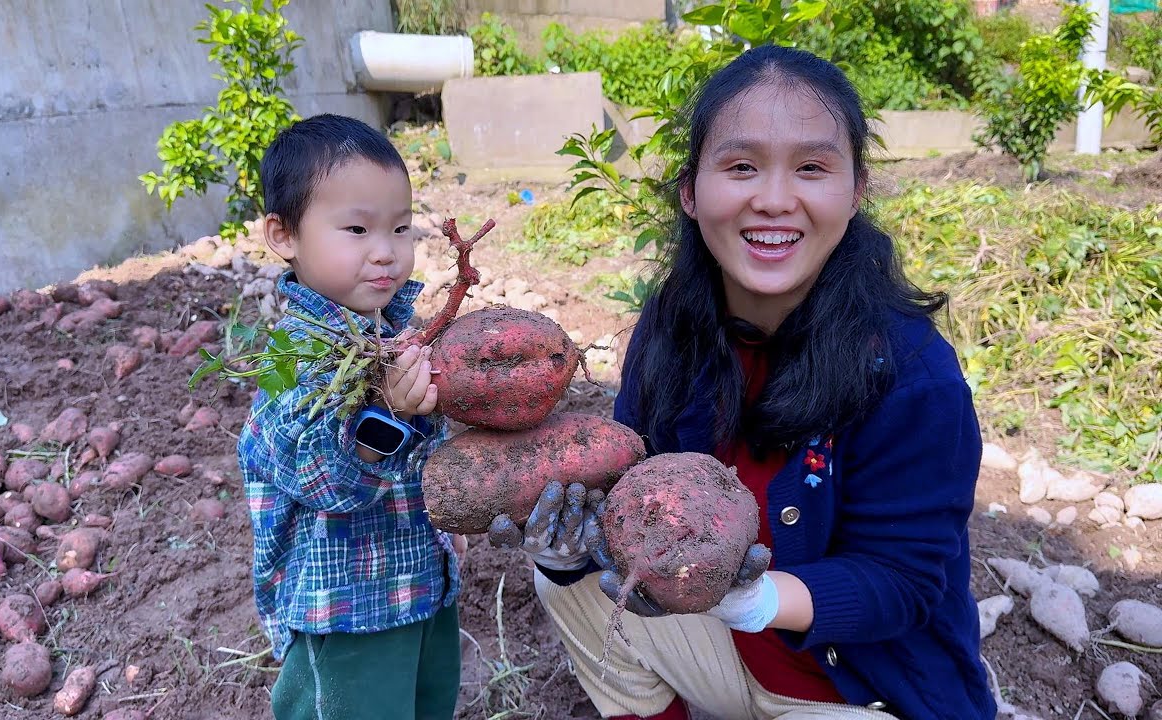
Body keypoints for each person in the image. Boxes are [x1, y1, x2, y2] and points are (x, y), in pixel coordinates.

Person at [489, 45, 996, 720]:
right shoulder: (672, 327)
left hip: (861, 693)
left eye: (812, 167)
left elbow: (902, 581)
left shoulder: (910, 373)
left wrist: (755, 598)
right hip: (727, 658)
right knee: (570, 586)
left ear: (856, 189)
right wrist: (572, 548)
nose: (775, 200)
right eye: (741, 166)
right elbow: (630, 492)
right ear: (691, 190)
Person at [237, 113, 462, 720]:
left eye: (400, 228)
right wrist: (385, 410)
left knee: (430, 704)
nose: (386, 252)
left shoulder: (397, 333)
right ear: (283, 235)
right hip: (346, 612)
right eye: (357, 229)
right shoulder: (294, 359)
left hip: (423, 586)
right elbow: (324, 482)